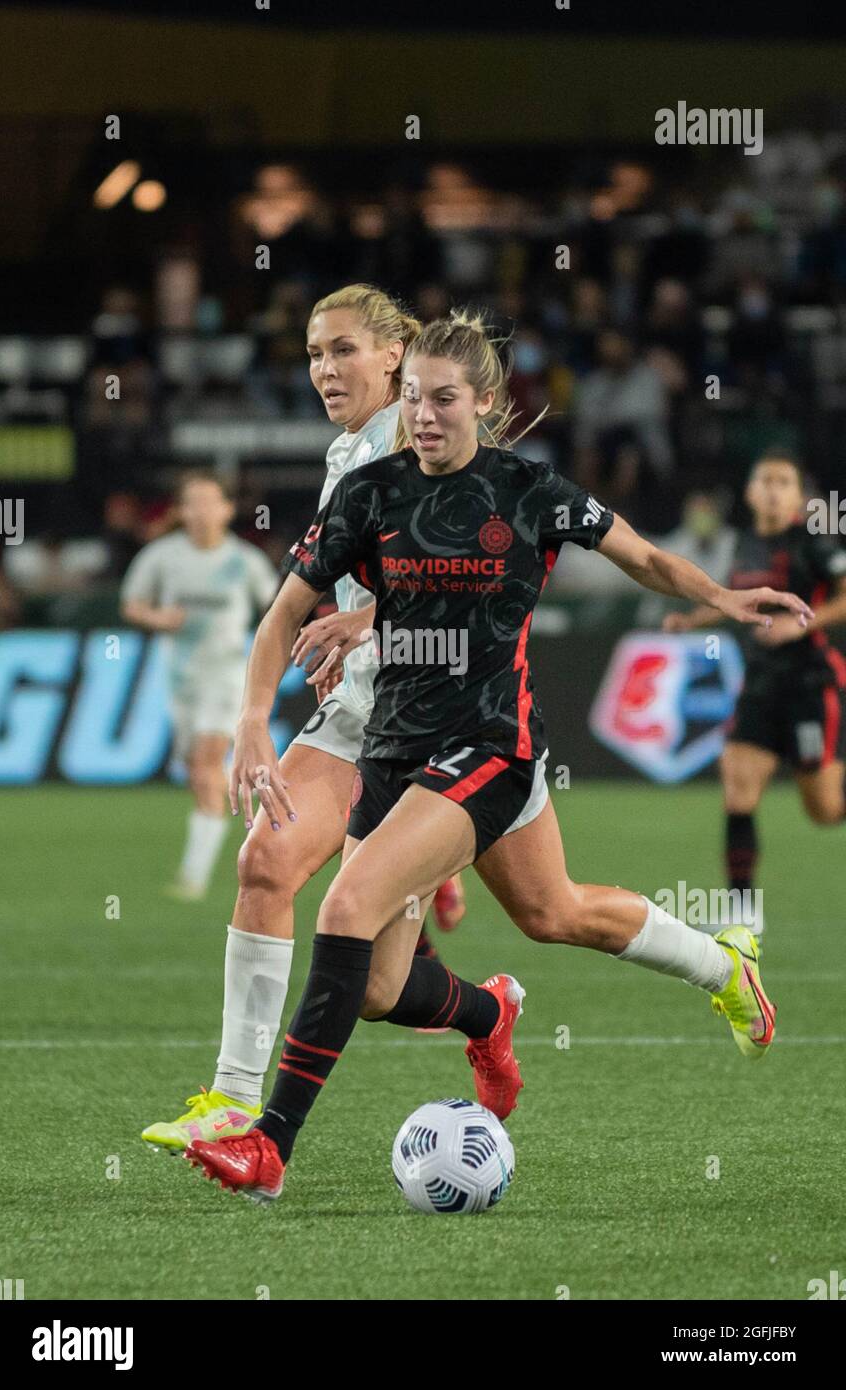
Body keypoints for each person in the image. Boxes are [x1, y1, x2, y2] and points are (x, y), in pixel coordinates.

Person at [185, 311, 812, 1203]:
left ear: (485, 401)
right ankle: (707, 971)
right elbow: (288, 609)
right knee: (498, 936)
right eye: (412, 399)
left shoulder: (529, 491)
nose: (425, 415)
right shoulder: (369, 492)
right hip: (396, 756)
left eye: (444, 399)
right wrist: (254, 714)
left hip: (491, 748)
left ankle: (267, 1146)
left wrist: (725, 597)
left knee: (345, 908)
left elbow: (641, 556)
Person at [140, 286, 481, 1153]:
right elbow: (326, 586)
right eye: (314, 354)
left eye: (342, 351)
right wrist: (339, 645)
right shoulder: (346, 455)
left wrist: (364, 623)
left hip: (443, 717)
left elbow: (481, 574)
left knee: (545, 918)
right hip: (356, 709)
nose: (325, 369)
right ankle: (232, 1099)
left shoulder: (428, 440)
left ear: (394, 356)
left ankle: (505, 1003)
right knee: (264, 862)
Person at [664, 451, 846, 934]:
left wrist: (799, 624)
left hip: (811, 684)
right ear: (748, 492)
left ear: (798, 496)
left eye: (782, 481)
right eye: (763, 479)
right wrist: (691, 619)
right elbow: (734, 602)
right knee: (738, 787)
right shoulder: (745, 543)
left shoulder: (816, 543)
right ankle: (743, 907)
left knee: (825, 811)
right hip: (761, 686)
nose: (771, 488)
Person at [121, 473, 278, 902]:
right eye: (192, 503)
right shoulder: (162, 556)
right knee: (198, 770)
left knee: (208, 762)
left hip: (226, 676)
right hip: (179, 677)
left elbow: (276, 610)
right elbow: (132, 604)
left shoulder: (245, 561)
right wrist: (159, 619)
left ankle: (196, 877)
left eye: (210, 502)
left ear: (227, 510)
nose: (202, 511)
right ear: (180, 511)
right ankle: (233, 824)